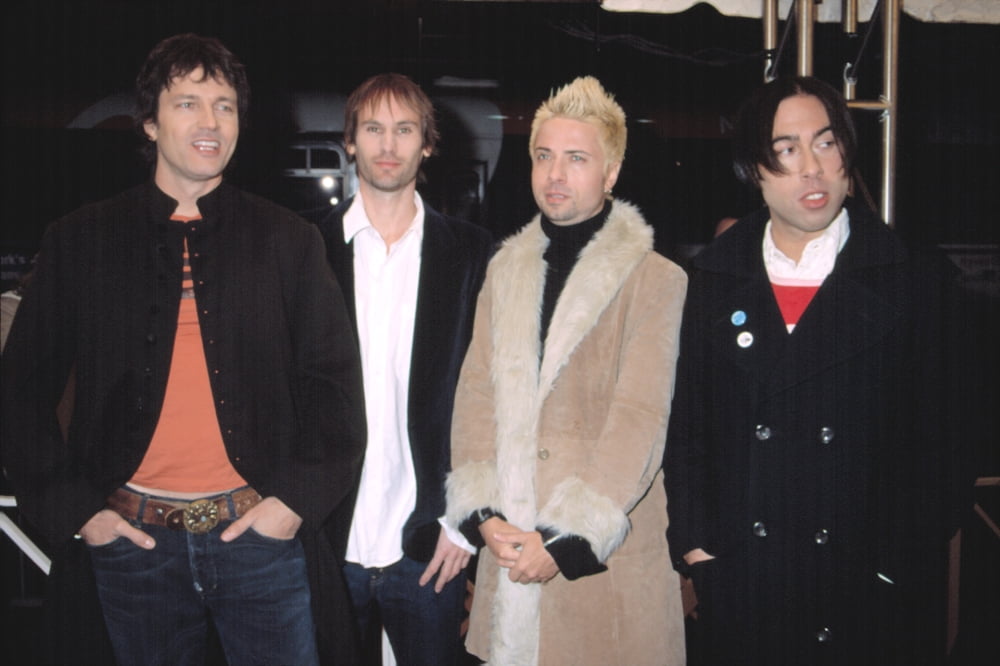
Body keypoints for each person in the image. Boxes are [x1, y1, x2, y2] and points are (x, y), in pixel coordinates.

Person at [0, 34, 366, 666]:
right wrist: (78, 512)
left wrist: (290, 506)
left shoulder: (290, 242)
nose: (209, 121)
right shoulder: (82, 240)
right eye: (187, 102)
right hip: (131, 547)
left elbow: (335, 390)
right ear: (149, 120)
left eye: (224, 106)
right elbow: (20, 393)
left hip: (261, 543)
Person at [665, 76, 973, 665]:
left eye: (825, 143)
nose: (811, 167)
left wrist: (894, 567)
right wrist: (701, 550)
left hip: (867, 597)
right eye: (785, 149)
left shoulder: (917, 282)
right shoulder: (710, 283)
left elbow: (946, 446)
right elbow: (688, 433)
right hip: (745, 586)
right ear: (753, 169)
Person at [444, 76, 688, 666]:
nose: (556, 174)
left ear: (611, 173)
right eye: (544, 156)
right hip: (508, 553)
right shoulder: (504, 271)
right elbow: (475, 395)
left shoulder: (656, 280)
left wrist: (567, 537)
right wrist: (484, 515)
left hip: (604, 566)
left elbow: (640, 421)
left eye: (576, 159)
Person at [314, 73, 493, 665]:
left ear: (428, 144)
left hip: (430, 544)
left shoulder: (474, 256)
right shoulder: (304, 251)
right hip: (323, 538)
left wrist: (466, 523)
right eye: (373, 128)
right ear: (350, 141)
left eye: (404, 129)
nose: (388, 144)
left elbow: (494, 400)